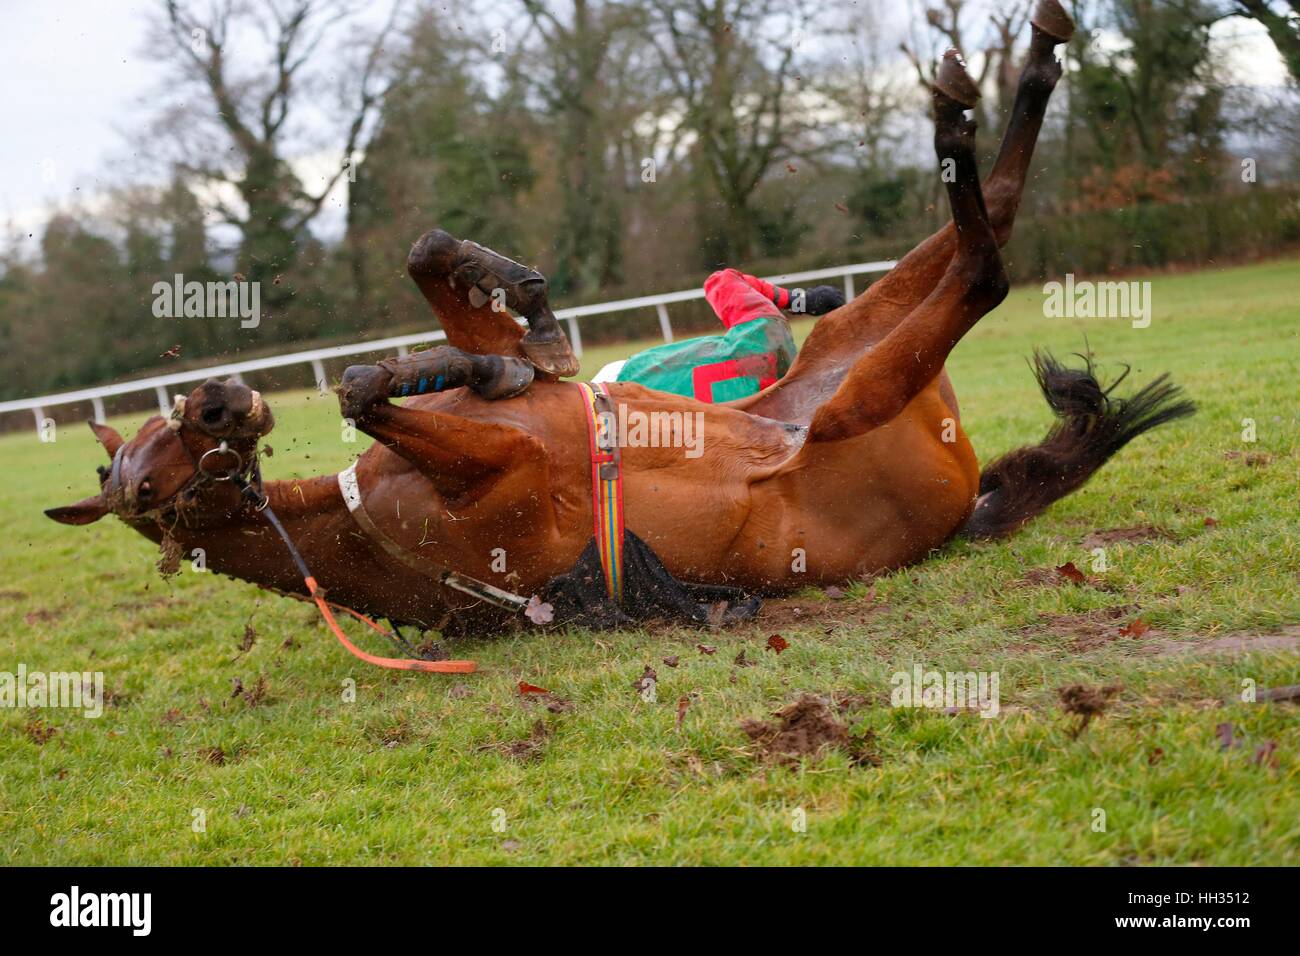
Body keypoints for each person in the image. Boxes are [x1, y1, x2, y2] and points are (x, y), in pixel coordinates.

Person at [593, 270, 845, 402]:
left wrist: (799, 300)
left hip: (619, 386)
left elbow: (720, 281)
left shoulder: (767, 332)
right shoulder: (794, 413)